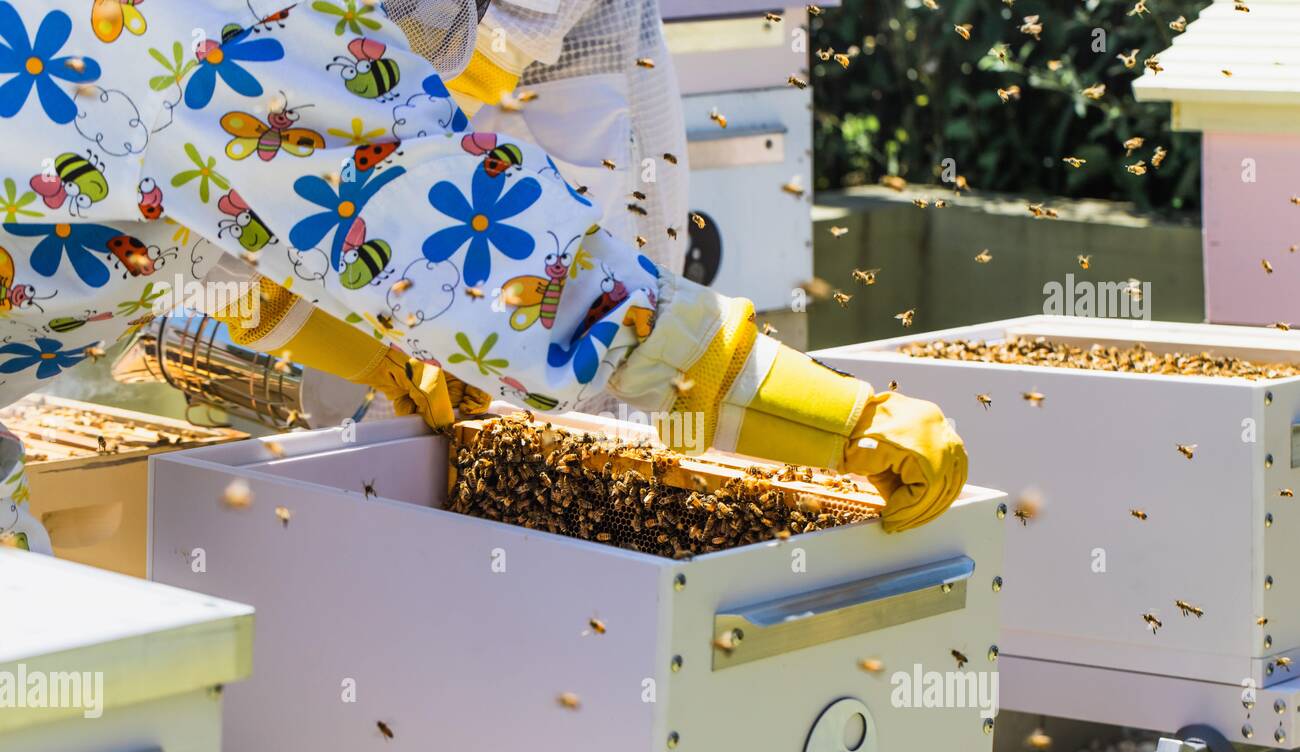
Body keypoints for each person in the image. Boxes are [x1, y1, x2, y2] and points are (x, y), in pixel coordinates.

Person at [0, 0, 965, 557]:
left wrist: (356, 348)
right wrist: (809, 410)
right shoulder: (240, 20)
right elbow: (486, 242)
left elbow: (187, 231)